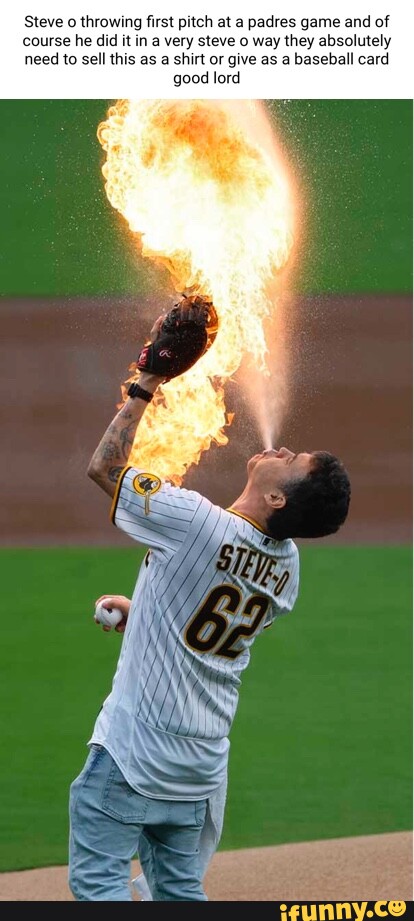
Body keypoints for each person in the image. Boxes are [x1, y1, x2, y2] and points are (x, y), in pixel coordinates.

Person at [68, 309, 351, 902]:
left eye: (294, 463)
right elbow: (209, 628)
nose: (287, 448)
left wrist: (146, 381)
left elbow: (105, 468)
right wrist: (145, 611)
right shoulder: (288, 567)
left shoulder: (197, 524)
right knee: (178, 894)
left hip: (133, 756)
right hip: (199, 774)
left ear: (276, 496)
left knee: (99, 889)